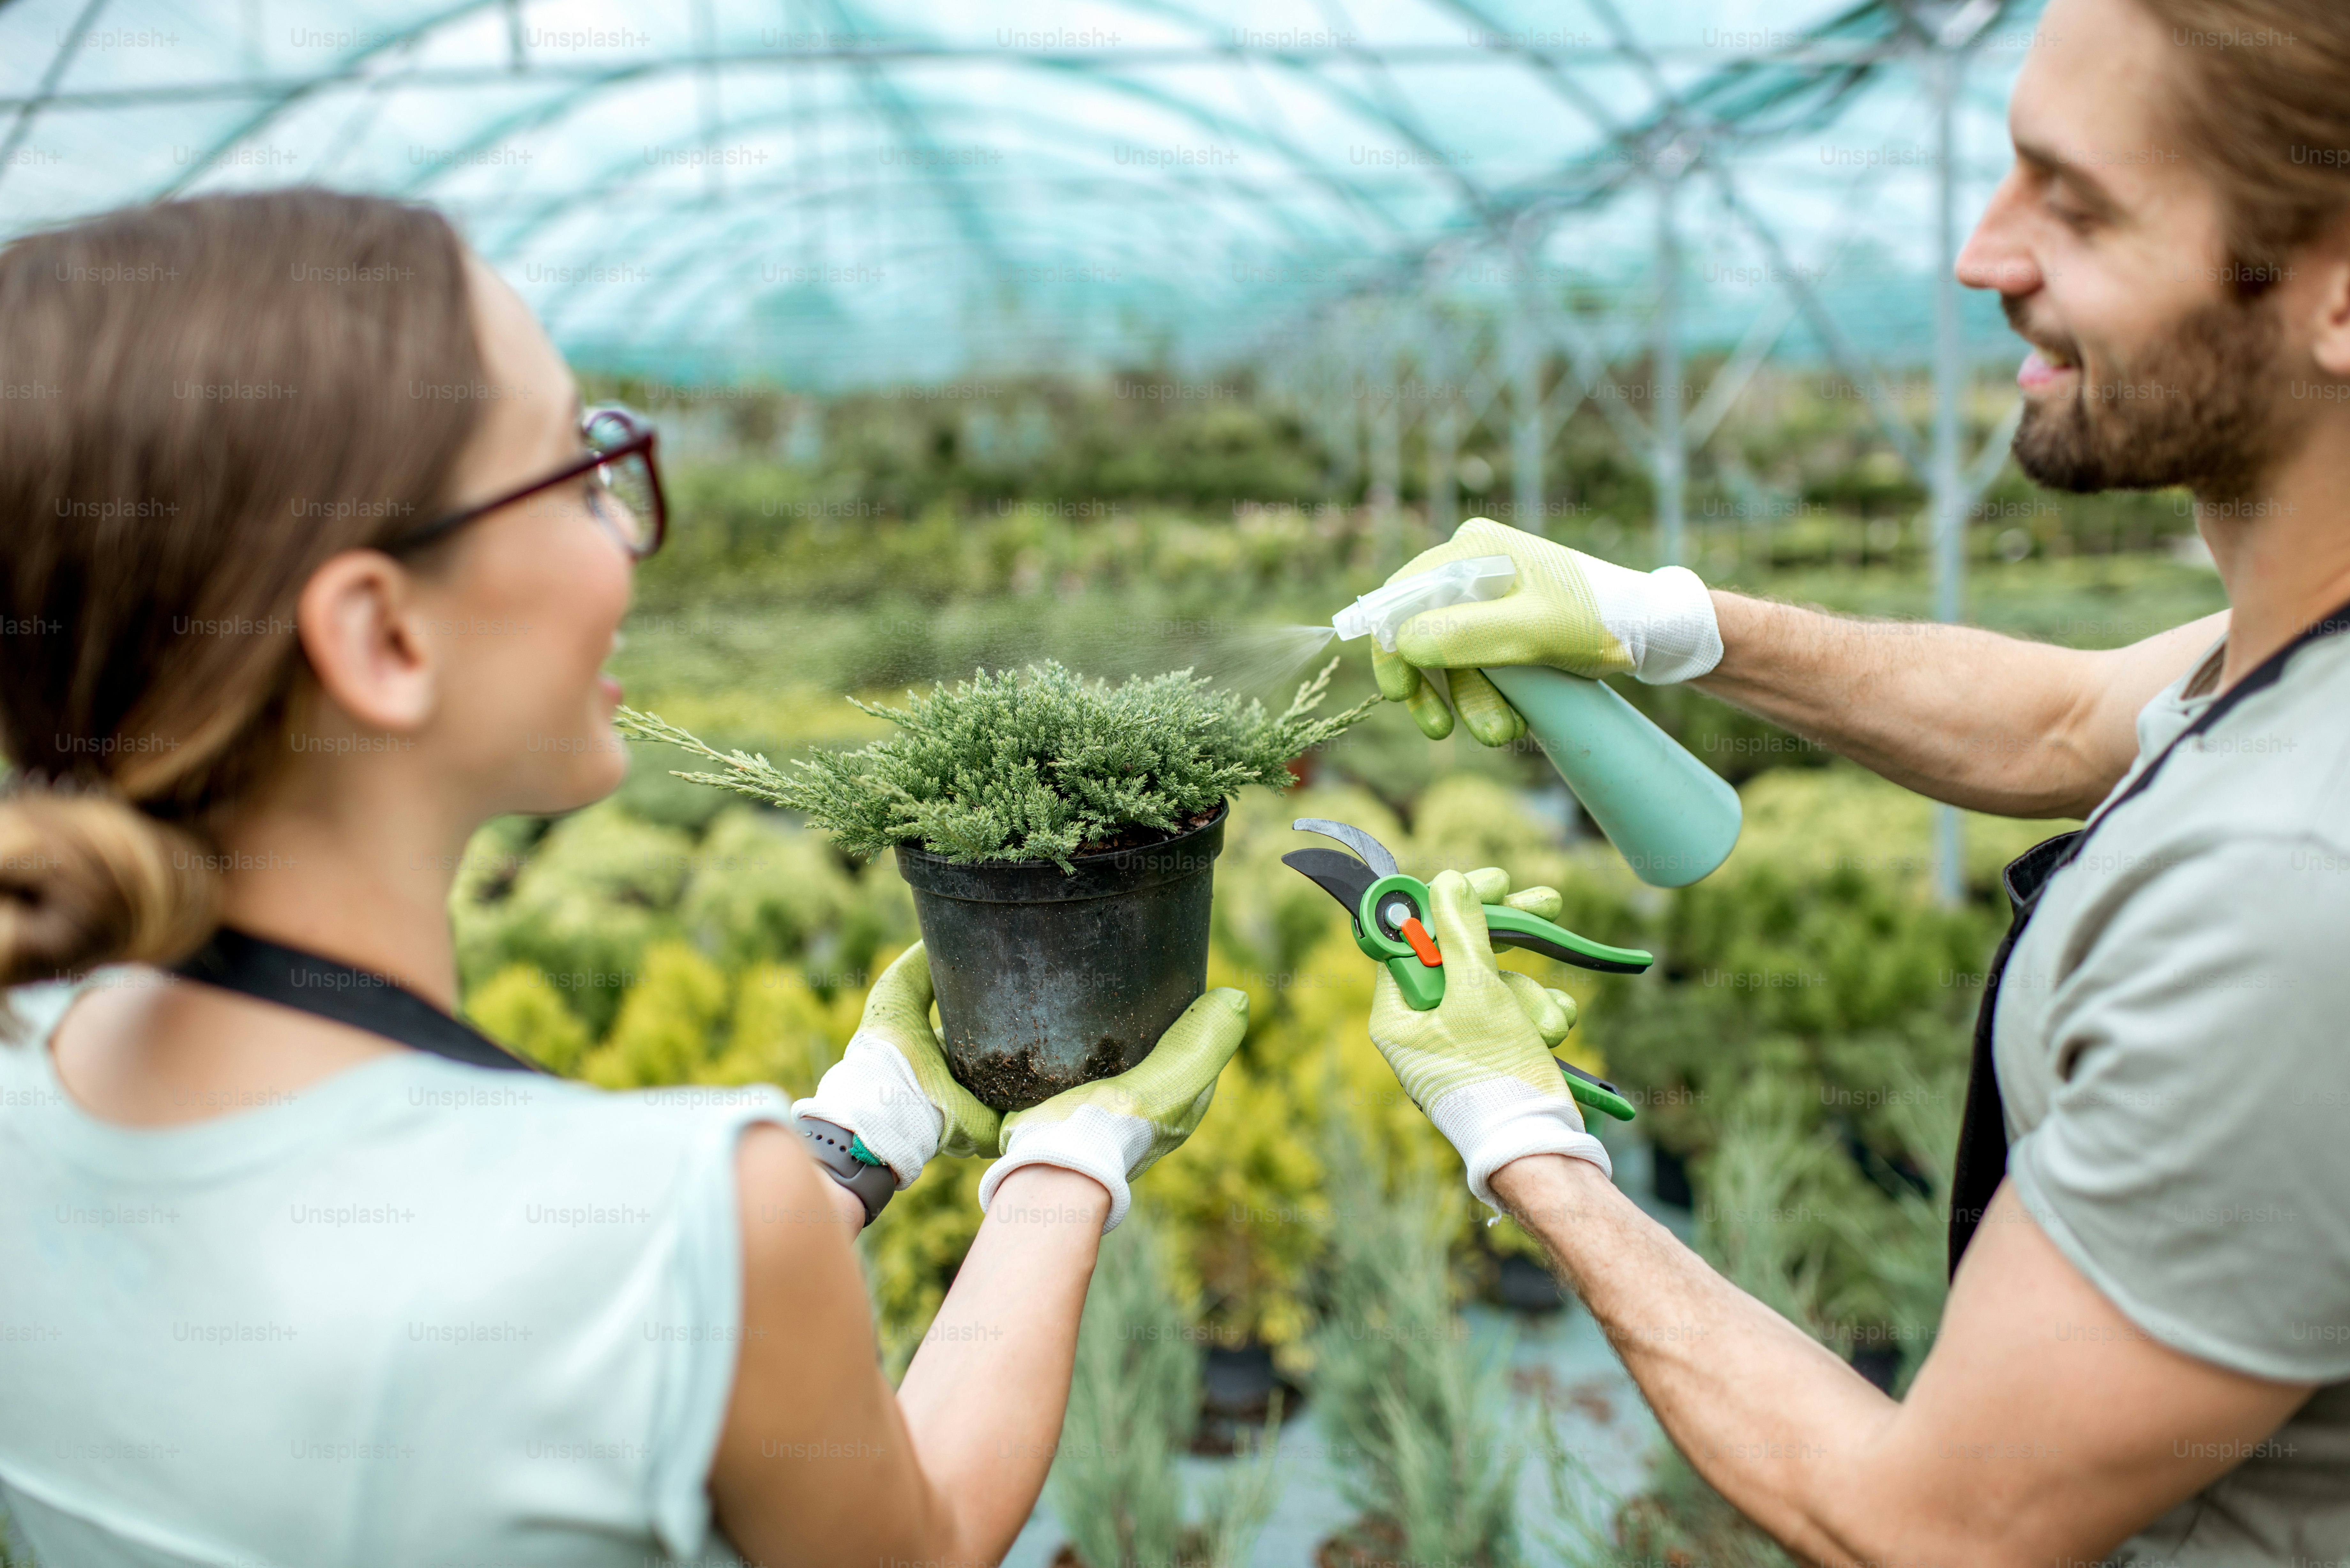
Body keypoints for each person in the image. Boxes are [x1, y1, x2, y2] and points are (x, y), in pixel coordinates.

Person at [0, 189, 1250, 1567]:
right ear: (383, 637)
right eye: (573, 473)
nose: (624, 537)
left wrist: (855, 1135)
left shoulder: (27, 1080)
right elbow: (928, 1537)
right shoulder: (686, 1214)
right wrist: (1070, 1161)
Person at [1368, 0, 2350, 1559]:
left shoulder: (2290, 895)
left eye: (2074, 202)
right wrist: (1659, 620)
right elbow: (2063, 718)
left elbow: (1932, 1527)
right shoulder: (2299, 660)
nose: (1982, 255)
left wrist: (1520, 1139)